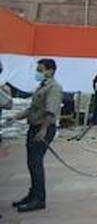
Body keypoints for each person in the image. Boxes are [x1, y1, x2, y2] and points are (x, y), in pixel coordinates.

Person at [10, 58, 63, 213]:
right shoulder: (42, 86)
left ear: (50, 70)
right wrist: (15, 117)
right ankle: (32, 194)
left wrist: (43, 130)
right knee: (32, 163)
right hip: (34, 127)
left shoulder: (54, 88)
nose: (38, 73)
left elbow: (50, 111)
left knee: (36, 163)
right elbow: (32, 109)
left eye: (41, 70)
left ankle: (39, 199)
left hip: (43, 128)